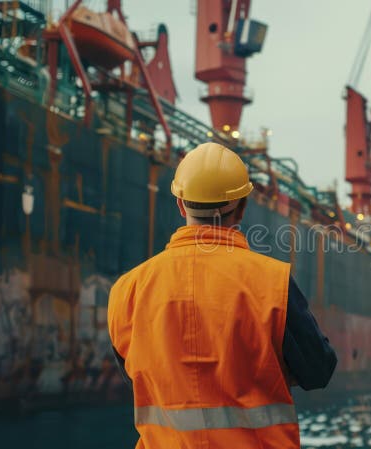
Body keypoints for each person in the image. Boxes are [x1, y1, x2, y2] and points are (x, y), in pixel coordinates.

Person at [108, 143, 337, 449]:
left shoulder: (129, 289)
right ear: (242, 207)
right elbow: (318, 371)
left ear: (180, 204)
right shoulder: (273, 282)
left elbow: (137, 376)